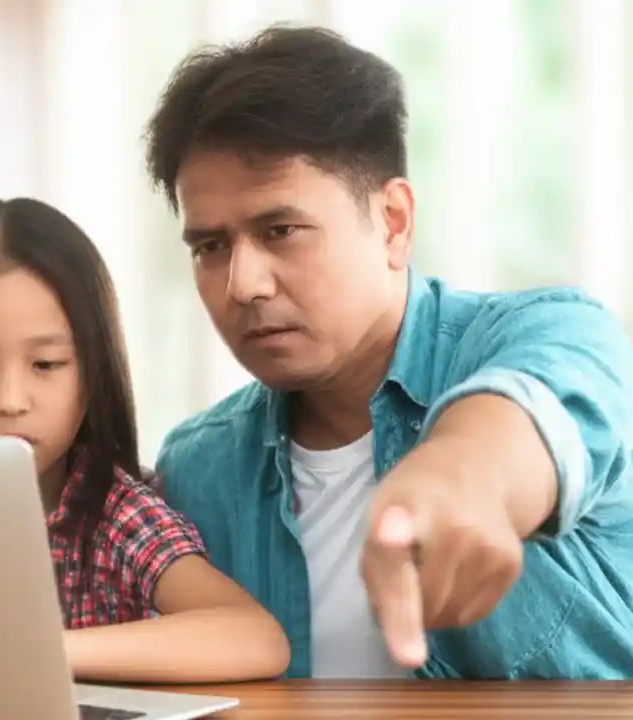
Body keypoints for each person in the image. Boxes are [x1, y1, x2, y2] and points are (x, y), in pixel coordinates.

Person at [146, 25, 633, 679]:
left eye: (281, 230)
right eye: (211, 247)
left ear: (393, 222)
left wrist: (458, 480)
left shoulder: (556, 333)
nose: (243, 285)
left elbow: (524, 420)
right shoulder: (199, 468)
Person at [0, 197, 290, 683]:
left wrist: (36, 652)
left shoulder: (115, 515)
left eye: (46, 364)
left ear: (93, 374)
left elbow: (255, 638)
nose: (9, 400)